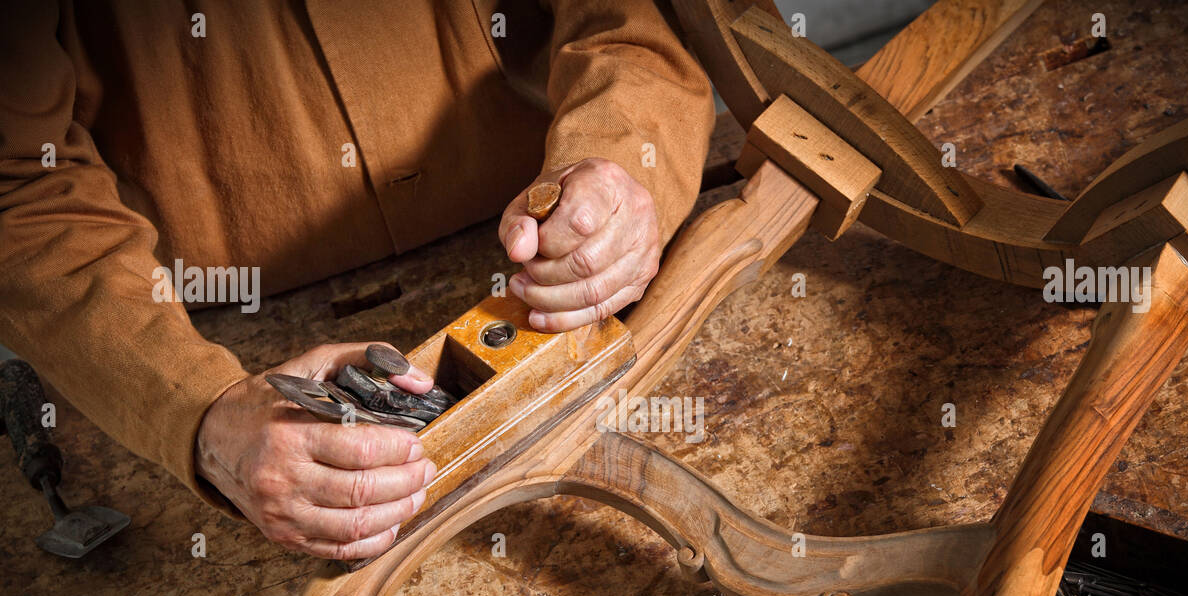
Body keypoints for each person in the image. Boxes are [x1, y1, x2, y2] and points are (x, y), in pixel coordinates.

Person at [0, 0, 715, 559]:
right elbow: (20, 192)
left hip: (532, 212)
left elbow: (635, 22)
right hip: (202, 318)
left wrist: (621, 157)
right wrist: (198, 412)